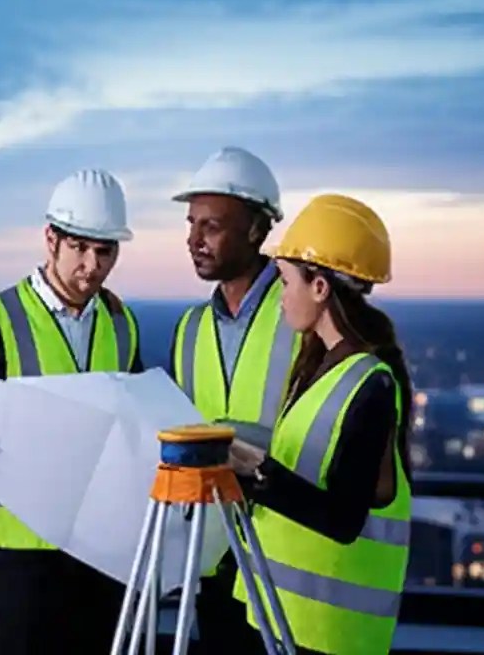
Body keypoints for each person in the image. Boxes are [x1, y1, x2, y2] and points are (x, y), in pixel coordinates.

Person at [0, 168, 146, 654]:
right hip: (27, 560)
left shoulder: (121, 323)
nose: (92, 266)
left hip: (103, 552)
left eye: (106, 251)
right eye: (81, 248)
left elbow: (134, 419)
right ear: (51, 239)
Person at [227, 193, 415, 655]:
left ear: (320, 288)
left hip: (330, 634)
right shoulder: (319, 366)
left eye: (286, 282)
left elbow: (343, 518)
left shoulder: (370, 386)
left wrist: (257, 471)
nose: (280, 299)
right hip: (281, 617)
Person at [166, 146, 302, 652]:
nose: (193, 240)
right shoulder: (189, 330)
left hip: (284, 556)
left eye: (212, 226)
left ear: (255, 229)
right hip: (213, 554)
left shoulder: (301, 316)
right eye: (191, 223)